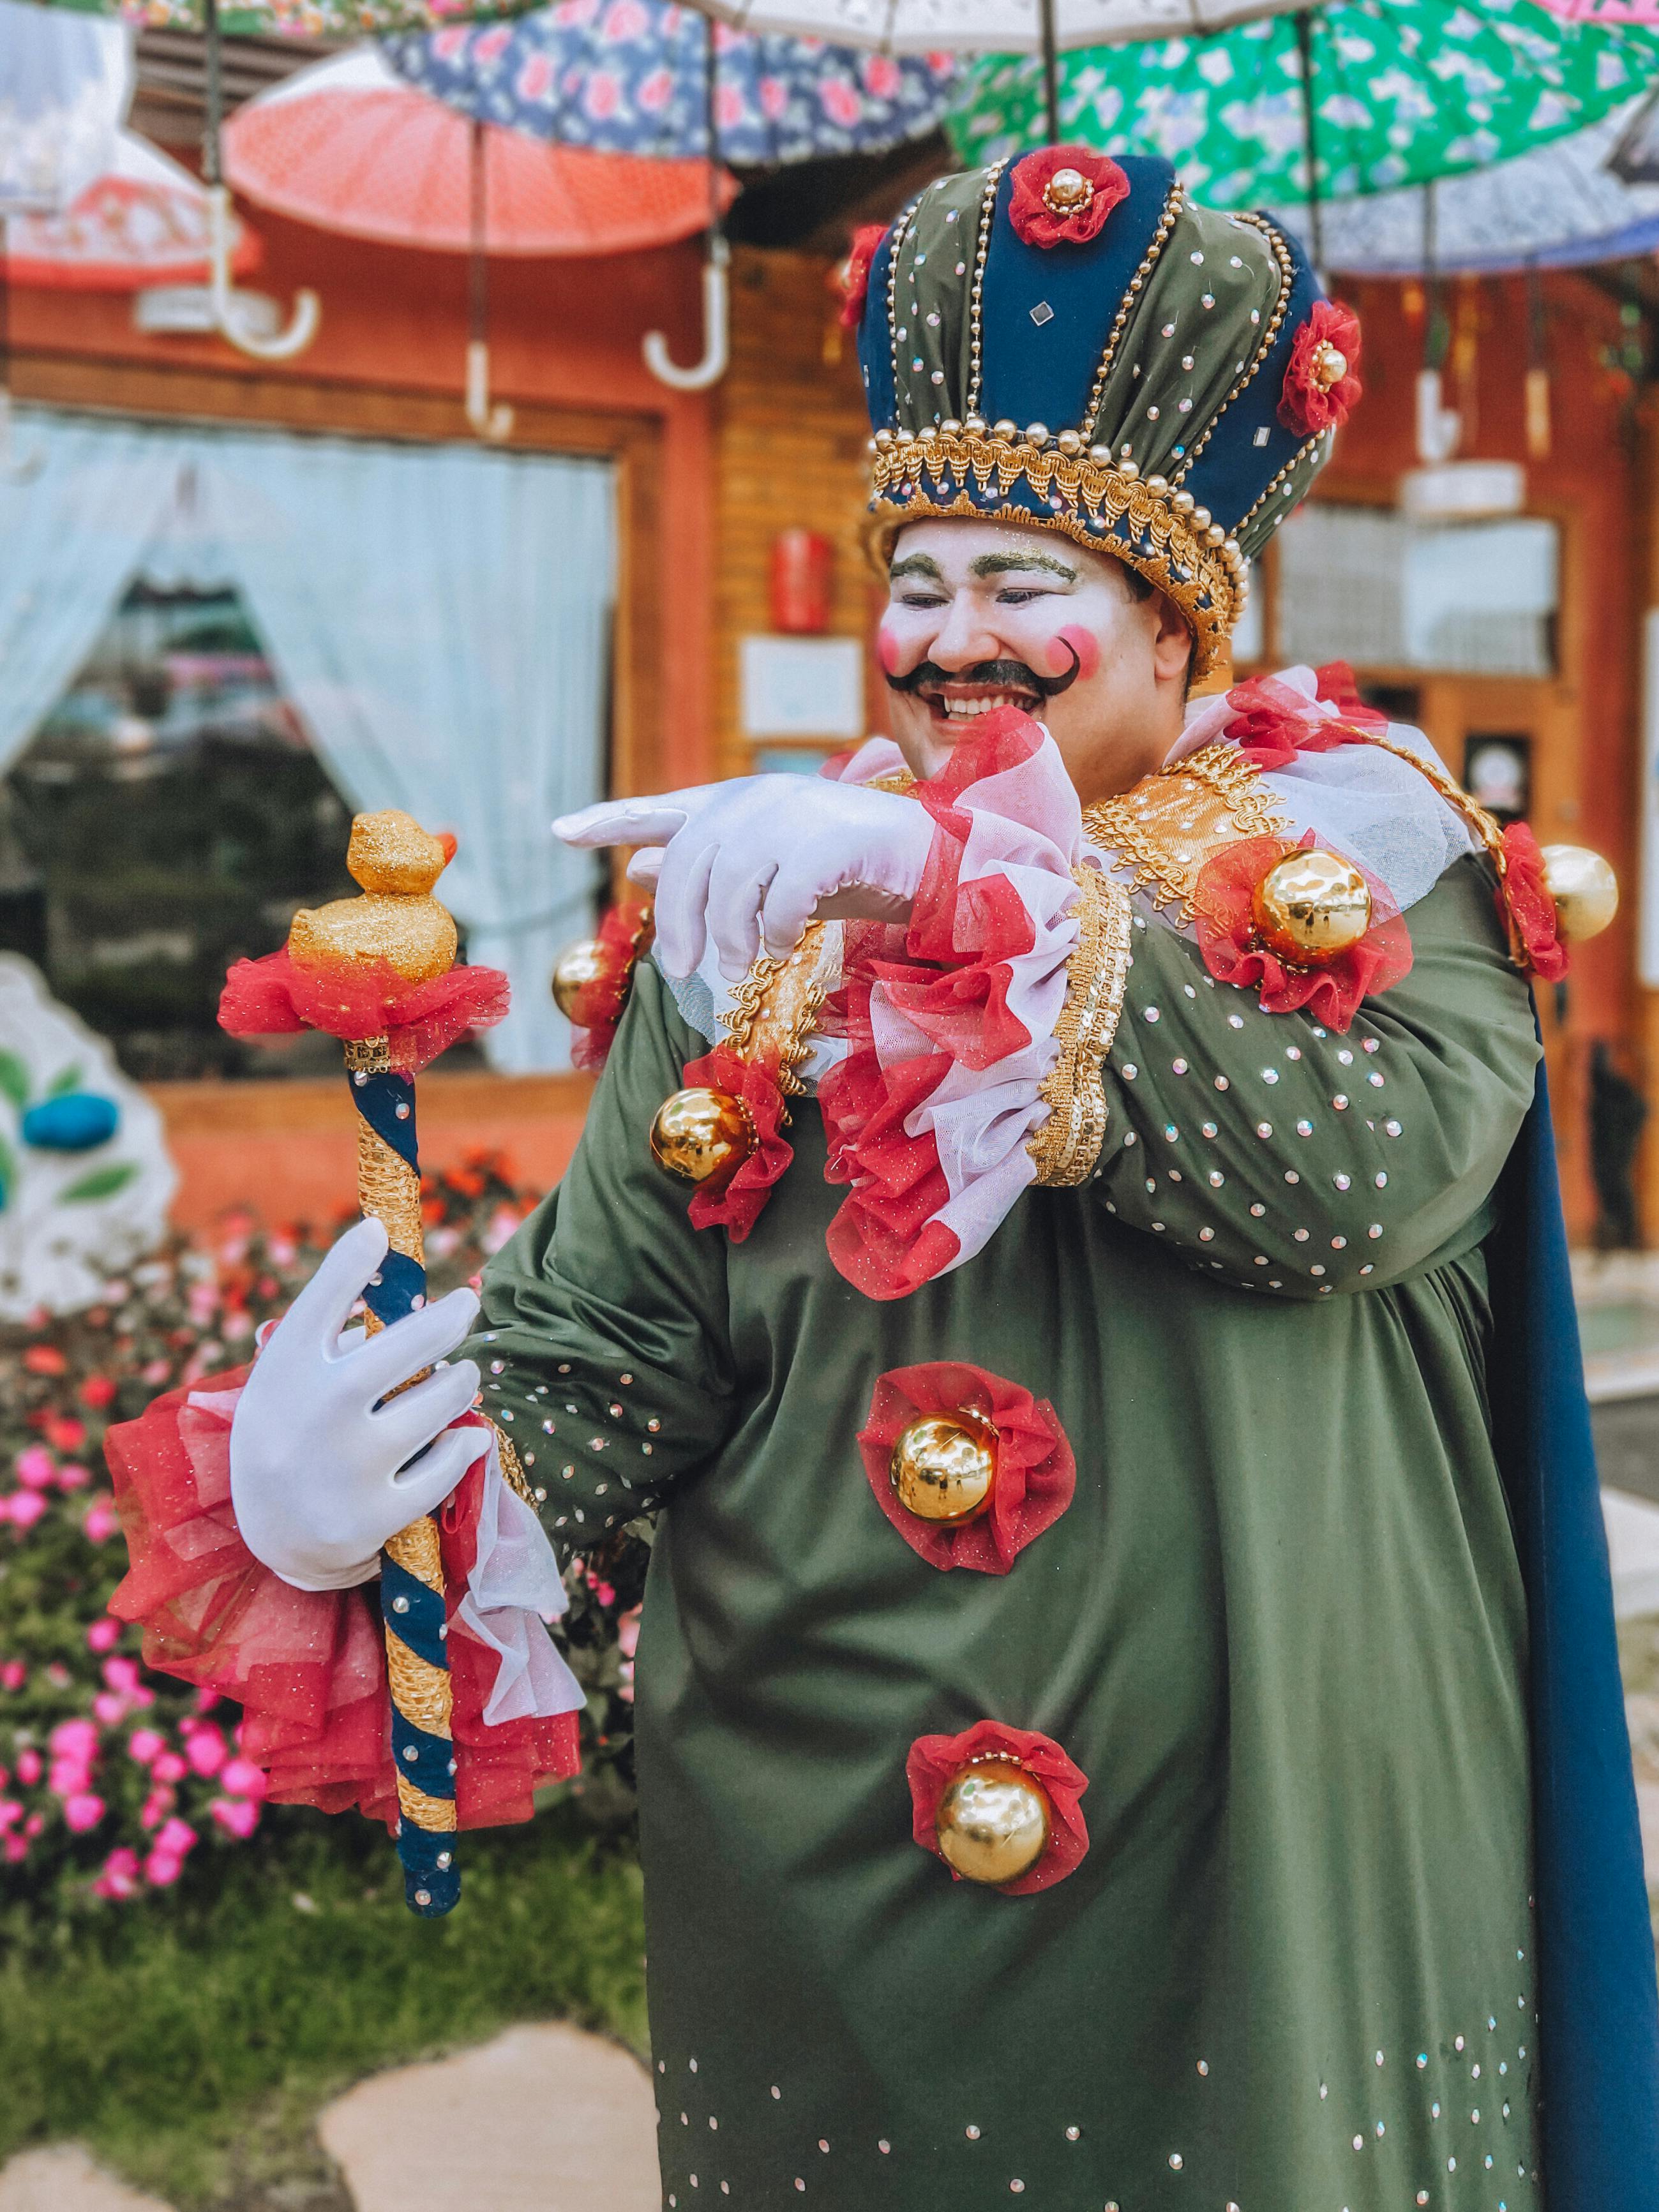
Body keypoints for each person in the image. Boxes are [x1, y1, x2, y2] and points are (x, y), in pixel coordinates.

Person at [213, 149, 1659, 2207]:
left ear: (1178, 615)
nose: (951, 639)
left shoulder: (1378, 862)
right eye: (920, 580)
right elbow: (616, 1336)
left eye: (1019, 581)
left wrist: (960, 888)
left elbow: (1347, 1175)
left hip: (1268, 1873)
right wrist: (398, 1491)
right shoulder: (763, 898)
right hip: (823, 1862)